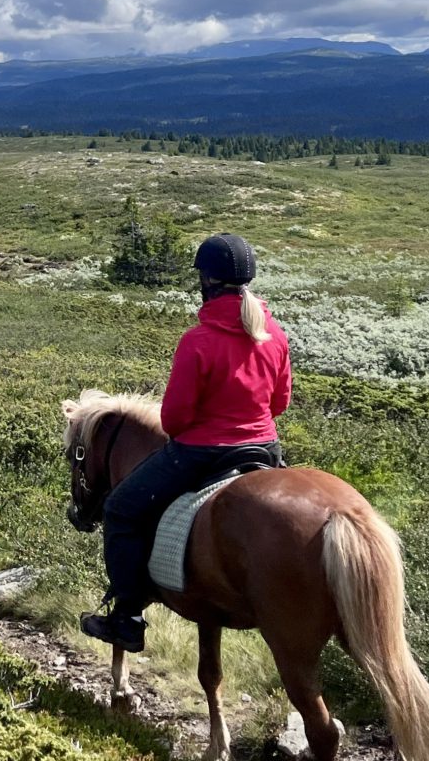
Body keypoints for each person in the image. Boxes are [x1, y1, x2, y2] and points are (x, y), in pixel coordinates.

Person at [81, 233, 291, 653]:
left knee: (120, 509)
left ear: (206, 280)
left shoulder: (198, 340)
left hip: (202, 453)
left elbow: (175, 421)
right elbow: (279, 403)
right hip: (265, 449)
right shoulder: (274, 334)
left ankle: (127, 618)